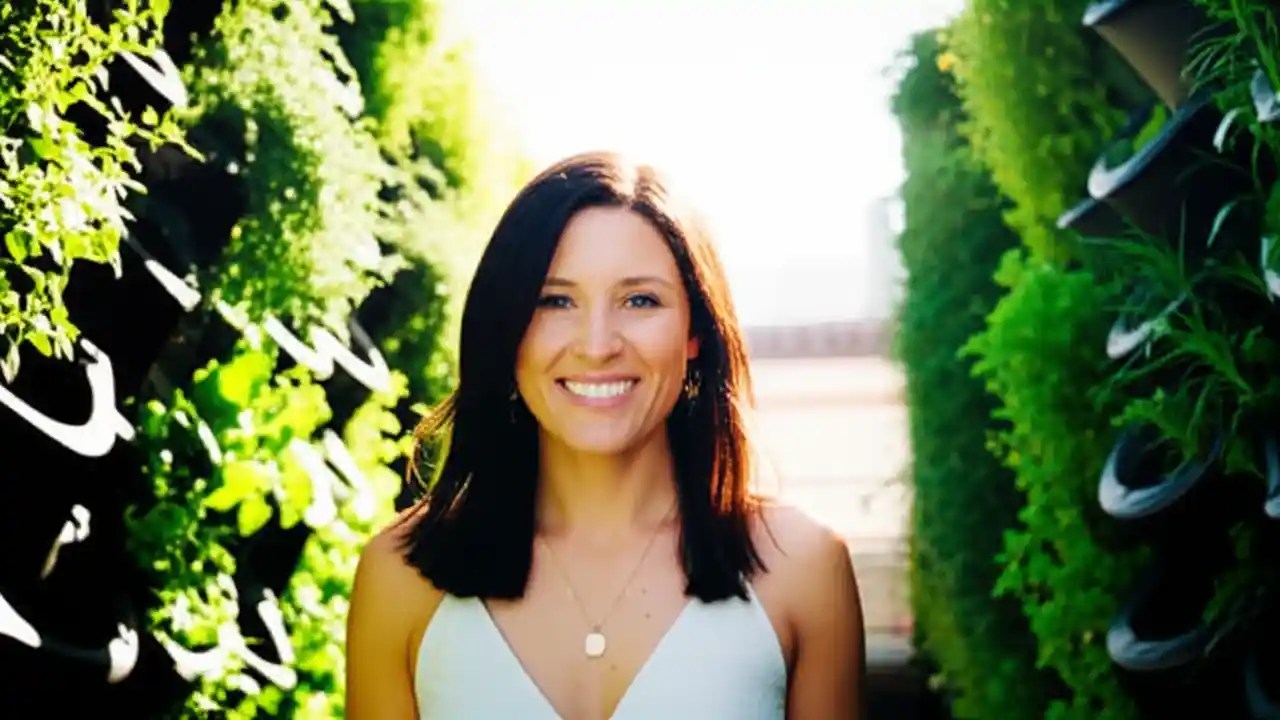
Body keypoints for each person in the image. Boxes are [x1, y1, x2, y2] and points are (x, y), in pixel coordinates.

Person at [345, 151, 865, 719]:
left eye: (639, 300)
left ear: (696, 331)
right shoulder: (400, 578)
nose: (597, 345)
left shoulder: (802, 569)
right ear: (507, 330)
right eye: (555, 301)